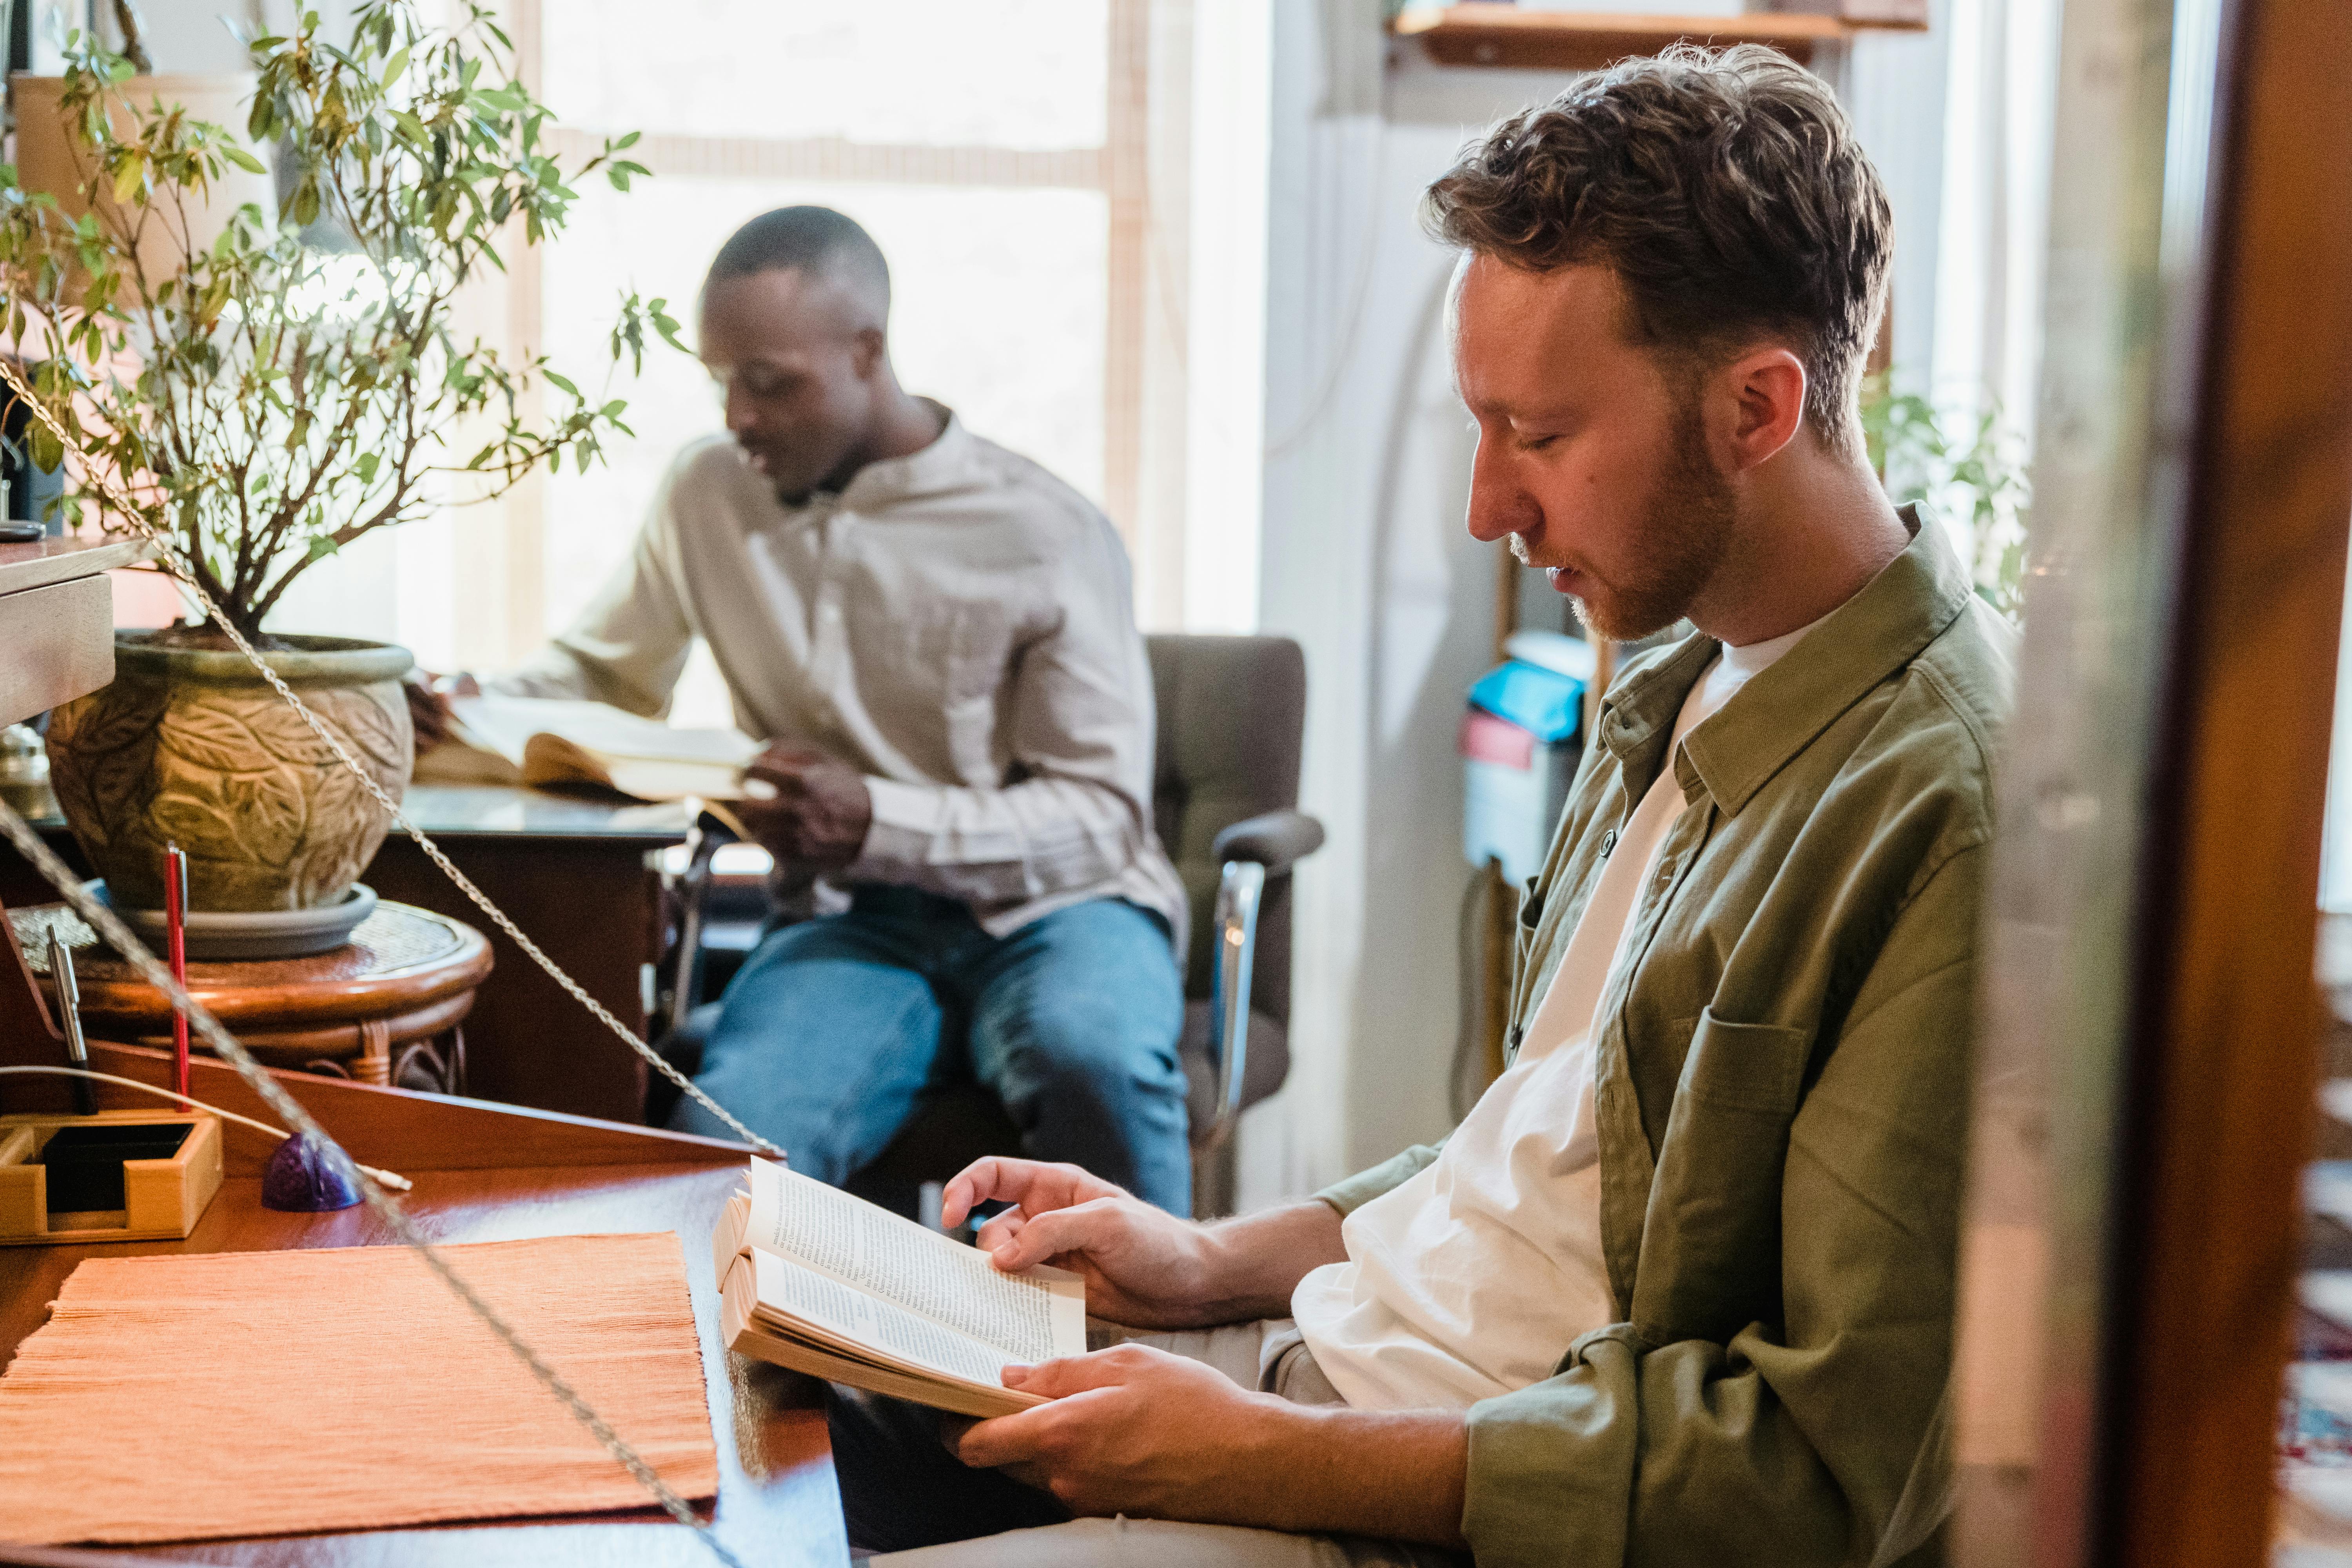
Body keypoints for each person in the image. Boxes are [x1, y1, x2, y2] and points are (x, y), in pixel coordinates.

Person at [823, 45, 2015, 1567]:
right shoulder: (1675, 683)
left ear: (1759, 407)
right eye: (1481, 424)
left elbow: (1820, 1478)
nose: (1488, 507)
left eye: (1542, 435)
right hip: (1303, 1378)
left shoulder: (1945, 816)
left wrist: (1280, 1459)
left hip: (1421, 1504)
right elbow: (1537, 1153)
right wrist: (1205, 1261)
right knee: (792, 1392)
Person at [417, 207, 1193, 1214]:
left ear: (868, 351)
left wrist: (876, 818)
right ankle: (806, 1377)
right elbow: (600, 675)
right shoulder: (708, 493)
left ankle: (1151, 1364)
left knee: (1099, 1071)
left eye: (769, 381)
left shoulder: (1044, 531)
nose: (736, 414)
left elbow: (1100, 817)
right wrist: (463, 705)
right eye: (721, 380)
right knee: (729, 1151)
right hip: (850, 919)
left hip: (1062, 907)